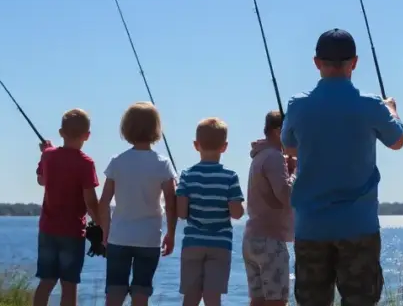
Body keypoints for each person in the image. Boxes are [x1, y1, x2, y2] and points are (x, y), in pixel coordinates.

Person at [281, 28, 403, 306]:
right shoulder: (371, 105)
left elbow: (288, 146)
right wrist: (392, 109)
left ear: (317, 63)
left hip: (311, 226)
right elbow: (397, 141)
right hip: (358, 225)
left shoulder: (298, 105)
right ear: (355, 62)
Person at [98, 102, 178, 306]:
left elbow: (104, 201)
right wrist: (171, 233)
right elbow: (171, 203)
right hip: (149, 238)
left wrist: (105, 231)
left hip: (119, 236)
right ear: (156, 129)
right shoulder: (162, 164)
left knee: (115, 290)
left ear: (126, 128)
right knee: (142, 291)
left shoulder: (117, 161)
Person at [34, 109, 100, 306]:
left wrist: (45, 152)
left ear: (61, 133)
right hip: (72, 232)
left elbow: (41, 180)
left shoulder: (48, 156)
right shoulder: (86, 163)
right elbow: (91, 202)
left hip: (47, 230)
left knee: (46, 281)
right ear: (87, 136)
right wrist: (102, 225)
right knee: (69, 285)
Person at [176, 117, 245, 306]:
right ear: (224, 147)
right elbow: (237, 213)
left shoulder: (187, 175)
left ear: (196, 145)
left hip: (192, 243)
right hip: (220, 245)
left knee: (191, 296)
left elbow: (181, 213)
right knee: (213, 297)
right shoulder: (230, 177)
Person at [244, 110, 297, 306]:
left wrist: (287, 171)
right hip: (270, 240)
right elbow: (285, 194)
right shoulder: (274, 157)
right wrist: (294, 173)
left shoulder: (259, 156)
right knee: (277, 301)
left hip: (252, 238)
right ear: (278, 131)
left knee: (257, 300)